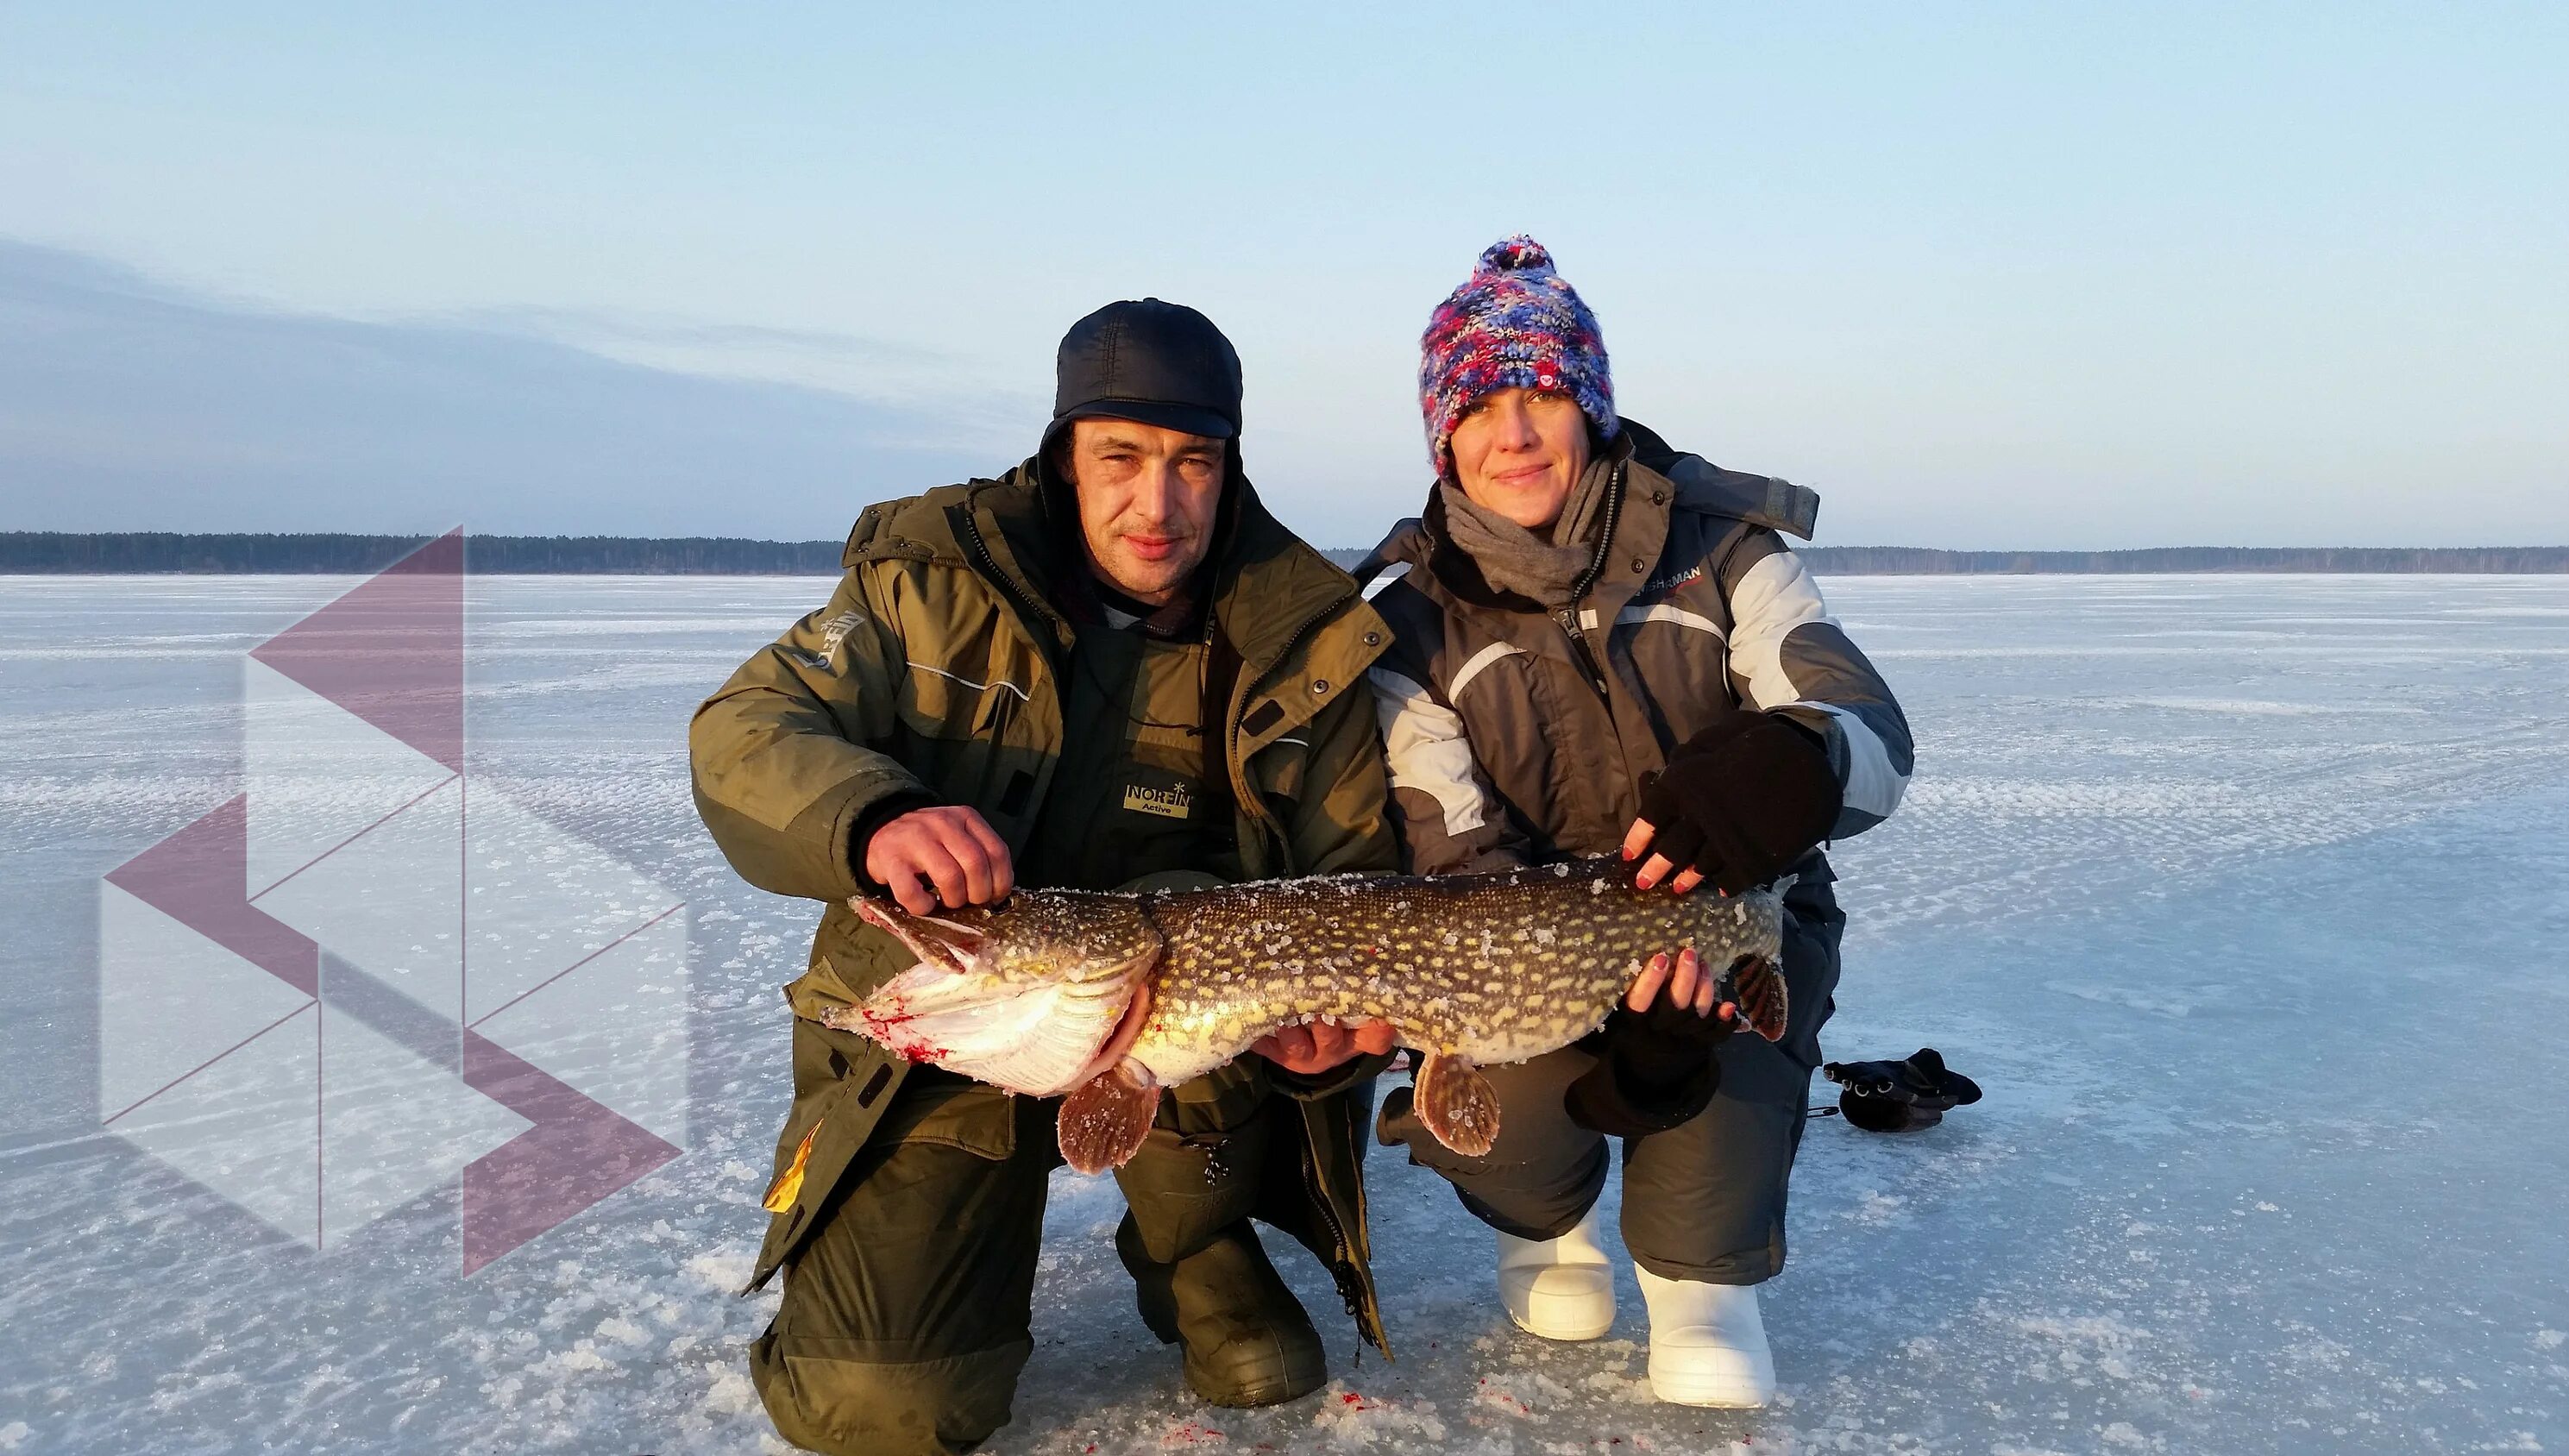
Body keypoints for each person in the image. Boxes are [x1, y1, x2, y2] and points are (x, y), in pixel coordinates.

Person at [689, 298, 1403, 1456]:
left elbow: (1353, 886)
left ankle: (1191, 1237)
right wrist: (871, 815)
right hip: (966, 1026)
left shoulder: (1301, 639)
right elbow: (747, 730)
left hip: (1184, 1053)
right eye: (1120, 457)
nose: (1156, 503)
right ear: (1064, 454)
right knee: (881, 1410)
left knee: (1267, 1367)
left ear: (1228, 468)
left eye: (1192, 462)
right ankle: (943, 1234)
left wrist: (1336, 1046)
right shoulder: (930, 583)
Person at [1361, 237, 1913, 1409]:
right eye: (1481, 406)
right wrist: (1599, 1009)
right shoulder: (1407, 629)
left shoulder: (1728, 557)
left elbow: (1872, 736)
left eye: (1544, 395)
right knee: (1496, 1108)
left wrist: (1795, 762)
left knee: (1716, 1136)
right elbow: (1455, 861)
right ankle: (1544, 1231)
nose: (1514, 433)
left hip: (1739, 924)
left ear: (1594, 410)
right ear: (1443, 437)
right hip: (1527, 945)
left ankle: (1698, 1283)